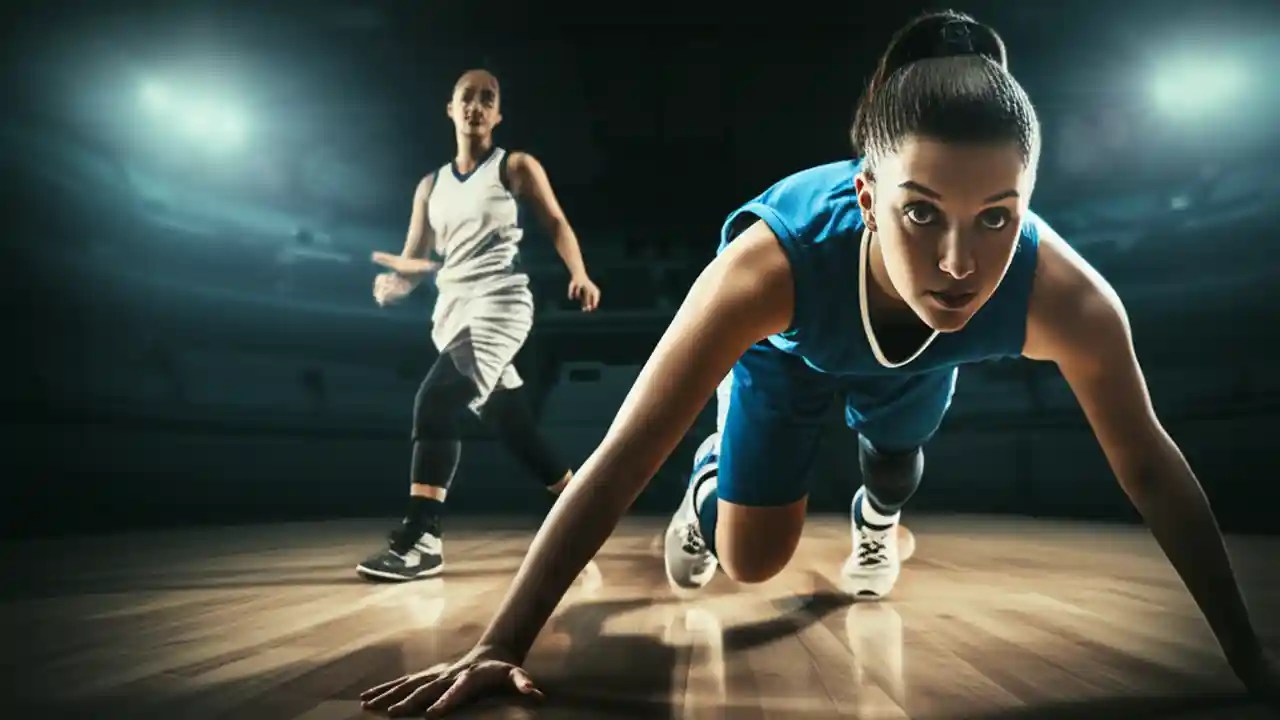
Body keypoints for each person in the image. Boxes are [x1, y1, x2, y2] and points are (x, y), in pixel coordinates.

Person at [359, 11, 1278, 714]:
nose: (961, 264)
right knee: (751, 562)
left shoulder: (1064, 296)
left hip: (916, 362)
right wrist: (500, 643)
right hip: (787, 360)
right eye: (922, 211)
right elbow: (612, 464)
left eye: (997, 216)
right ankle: (713, 481)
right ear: (868, 193)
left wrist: (1248, 656)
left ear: (1028, 201)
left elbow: (1150, 468)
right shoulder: (769, 265)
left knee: (895, 462)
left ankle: (879, 515)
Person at [356, 69, 602, 582]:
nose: (476, 105)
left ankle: (423, 538)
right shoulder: (430, 185)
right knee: (513, 425)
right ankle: (584, 509)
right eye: (467, 97)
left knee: (436, 400)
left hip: (499, 305)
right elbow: (414, 258)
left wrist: (578, 272)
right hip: (450, 314)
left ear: (497, 114)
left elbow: (555, 221)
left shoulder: (514, 167)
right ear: (450, 108)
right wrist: (393, 286)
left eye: (487, 99)